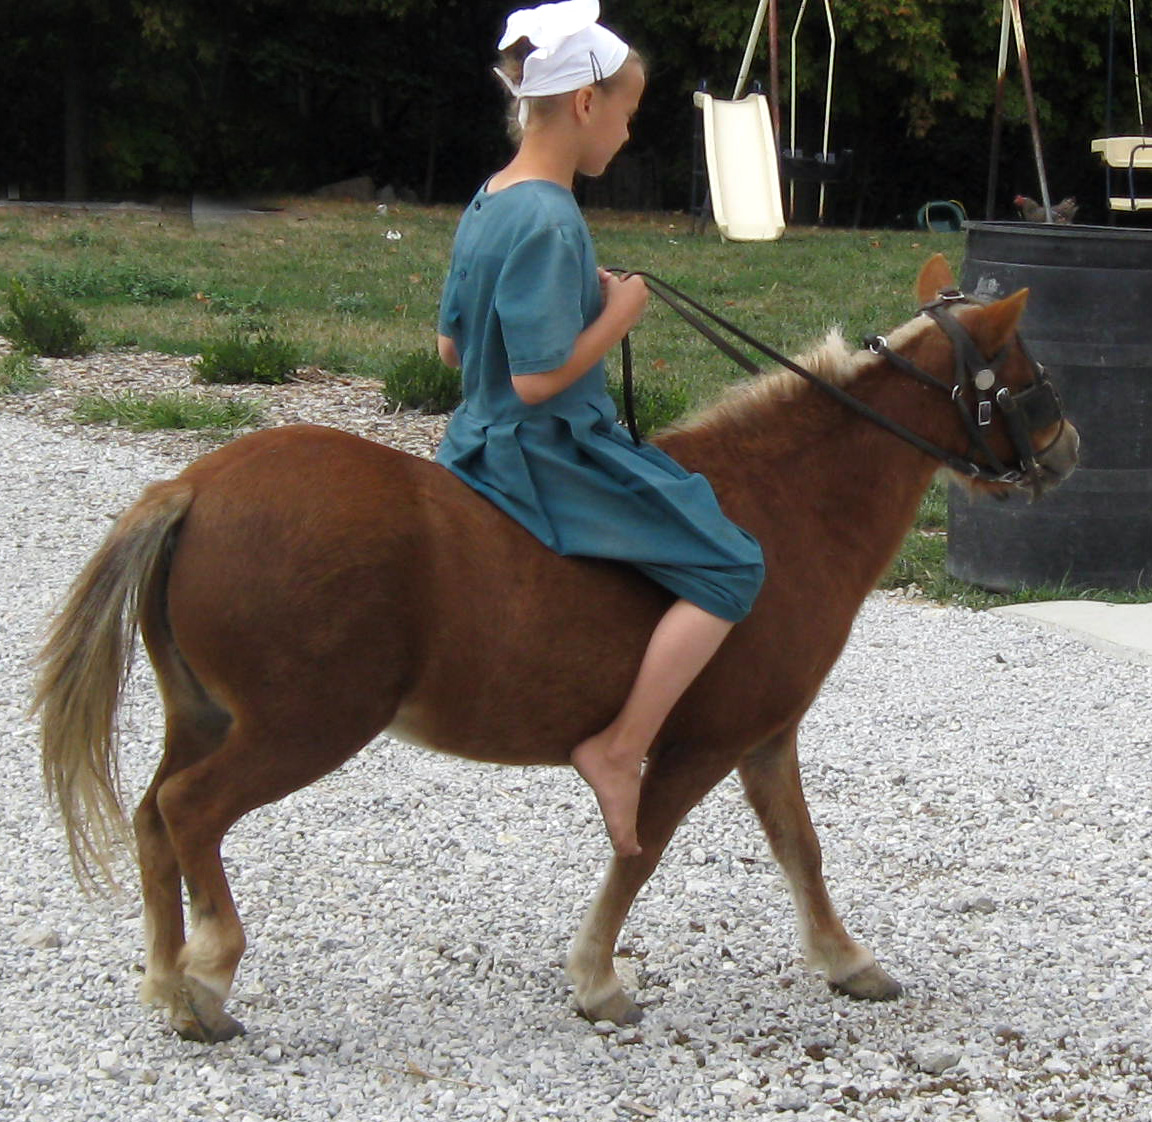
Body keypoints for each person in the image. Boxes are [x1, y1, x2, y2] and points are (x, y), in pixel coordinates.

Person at [435, 0, 764, 857]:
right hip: (543, 453)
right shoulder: (550, 216)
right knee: (732, 563)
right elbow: (538, 378)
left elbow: (449, 346)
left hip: (472, 435)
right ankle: (620, 750)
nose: (625, 133)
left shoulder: (491, 198)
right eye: (626, 113)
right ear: (584, 105)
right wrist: (620, 310)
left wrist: (580, 298)